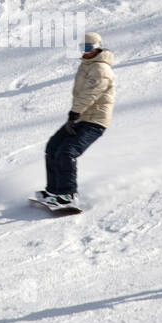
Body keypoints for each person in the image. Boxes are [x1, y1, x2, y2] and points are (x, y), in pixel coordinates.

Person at [38, 32, 115, 209]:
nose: (85, 52)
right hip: (81, 117)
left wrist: (74, 113)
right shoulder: (87, 65)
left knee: (67, 152)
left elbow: (91, 94)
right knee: (53, 147)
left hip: (95, 120)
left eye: (88, 48)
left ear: (96, 48)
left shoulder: (101, 68)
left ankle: (68, 195)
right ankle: (54, 191)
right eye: (81, 48)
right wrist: (76, 116)